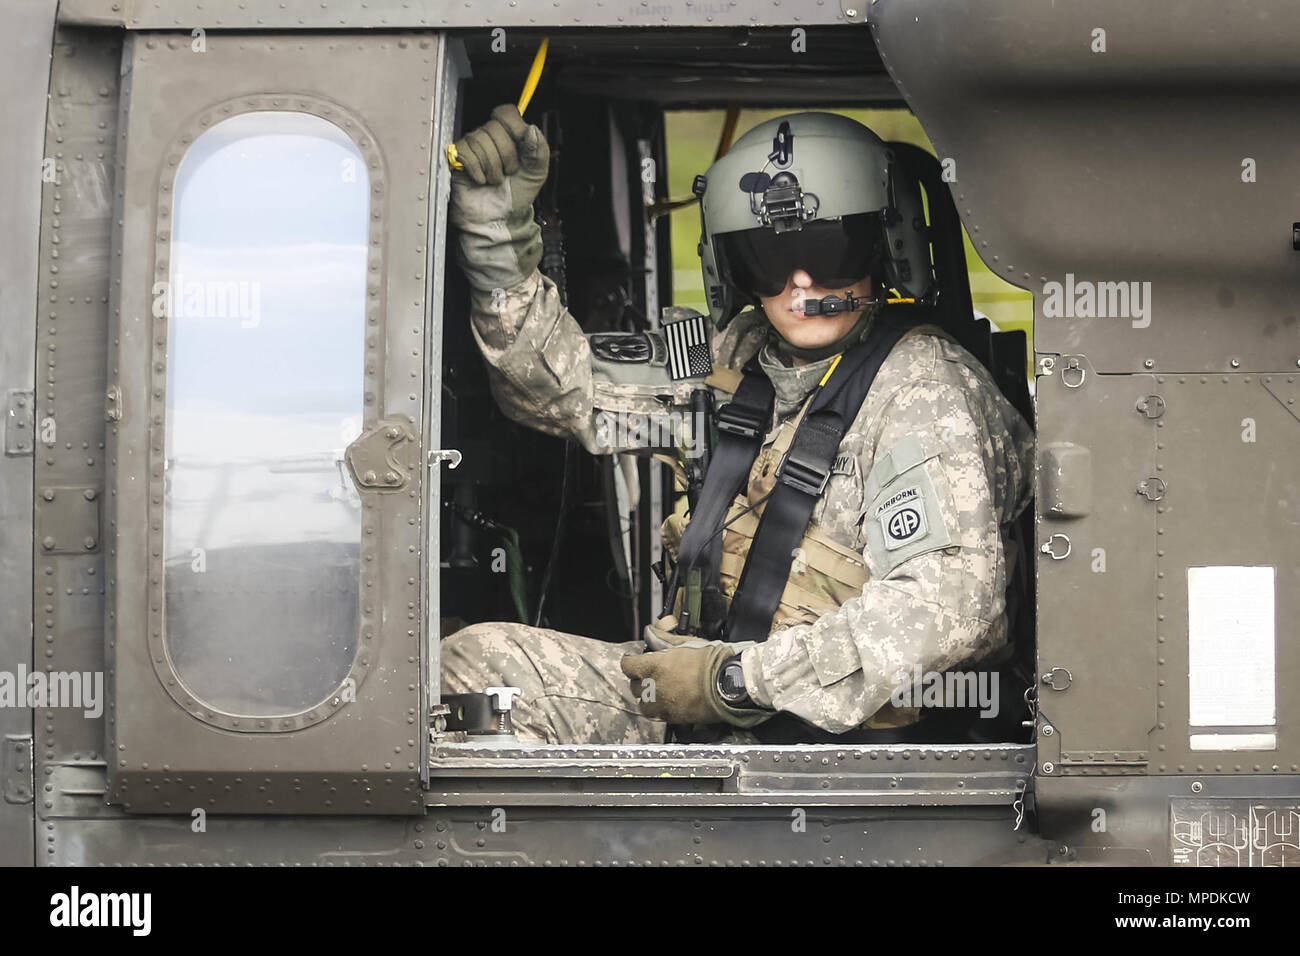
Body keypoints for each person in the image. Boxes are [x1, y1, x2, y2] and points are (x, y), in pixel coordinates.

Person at [441, 105, 1033, 744]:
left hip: (845, 744)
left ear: (882, 249)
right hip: (710, 709)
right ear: (733, 268)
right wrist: (495, 233)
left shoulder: (924, 388)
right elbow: (555, 388)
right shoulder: (733, 358)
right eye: (767, 254)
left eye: (829, 249)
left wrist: (734, 682)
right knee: (478, 673)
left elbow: (950, 610)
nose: (801, 280)